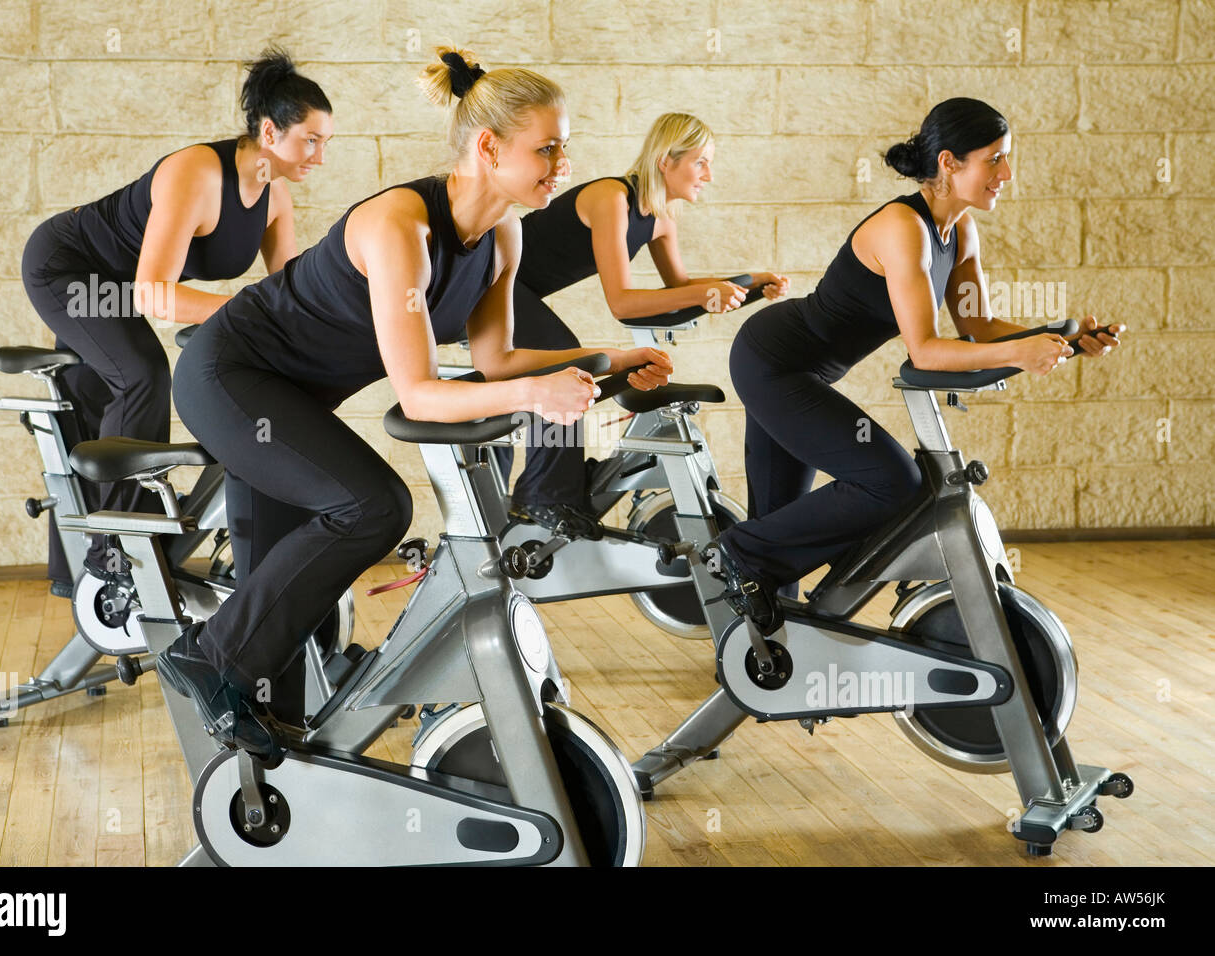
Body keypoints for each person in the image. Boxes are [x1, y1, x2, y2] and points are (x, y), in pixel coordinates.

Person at [162, 48, 673, 750]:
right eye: (547, 148)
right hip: (231, 374)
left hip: (293, 400)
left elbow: (498, 359)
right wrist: (537, 394)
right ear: (489, 147)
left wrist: (607, 358)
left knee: (277, 588)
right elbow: (422, 394)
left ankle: (264, 762)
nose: (564, 162)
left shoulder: (502, 236)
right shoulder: (402, 226)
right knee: (374, 506)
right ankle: (203, 657)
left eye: (566, 146)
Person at [714, 97, 1124, 632]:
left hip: (804, 372)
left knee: (777, 525)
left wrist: (1062, 336)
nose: (1008, 173)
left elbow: (979, 328)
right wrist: (1020, 353)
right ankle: (736, 551)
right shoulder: (903, 228)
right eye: (994, 159)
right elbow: (926, 351)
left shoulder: (959, 232)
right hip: (771, 361)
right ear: (951, 163)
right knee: (893, 482)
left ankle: (756, 654)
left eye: (1007, 158)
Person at [20, 48, 332, 593]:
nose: (320, 157)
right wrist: (248, 312)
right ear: (268, 132)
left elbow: (289, 291)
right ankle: (113, 551)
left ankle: (101, 555)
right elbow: (156, 294)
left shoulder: (275, 195)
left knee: (111, 390)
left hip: (117, 285)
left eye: (325, 142)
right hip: (67, 270)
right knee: (141, 373)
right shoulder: (197, 174)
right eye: (311, 139)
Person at [497, 112, 787, 537]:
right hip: (491, 281)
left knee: (563, 362)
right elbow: (624, 303)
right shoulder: (612, 198)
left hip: (518, 292)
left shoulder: (661, 218)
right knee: (569, 362)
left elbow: (680, 287)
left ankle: (548, 489)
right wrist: (713, 291)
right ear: (666, 161)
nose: (708, 173)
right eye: (701, 162)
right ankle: (542, 495)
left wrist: (749, 284)